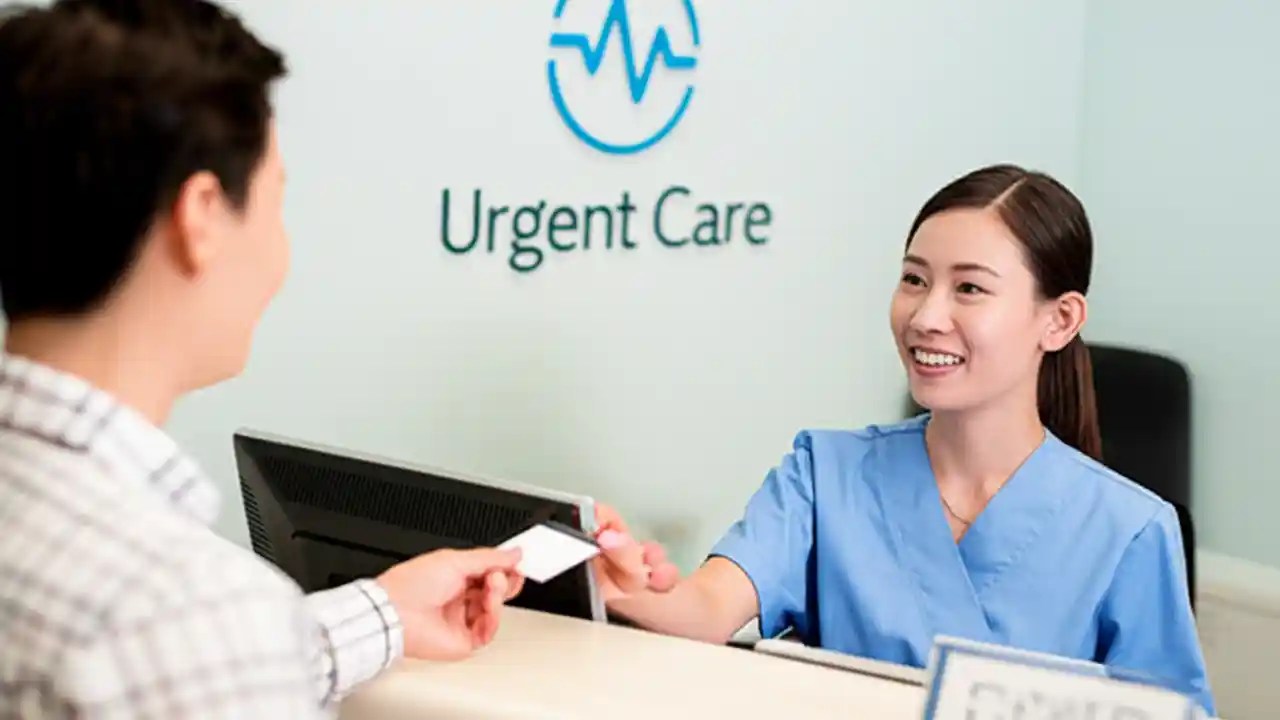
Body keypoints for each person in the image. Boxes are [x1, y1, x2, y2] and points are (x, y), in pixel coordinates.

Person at [0, 2, 524, 717]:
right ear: (203, 216)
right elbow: (190, 646)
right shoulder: (182, 612)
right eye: (276, 202)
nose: (281, 254)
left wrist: (383, 613)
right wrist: (253, 632)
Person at [591, 163, 1216, 714]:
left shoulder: (1129, 531)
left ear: (1060, 320)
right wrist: (638, 590)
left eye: (969, 288)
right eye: (915, 279)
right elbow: (709, 606)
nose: (925, 316)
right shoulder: (823, 473)